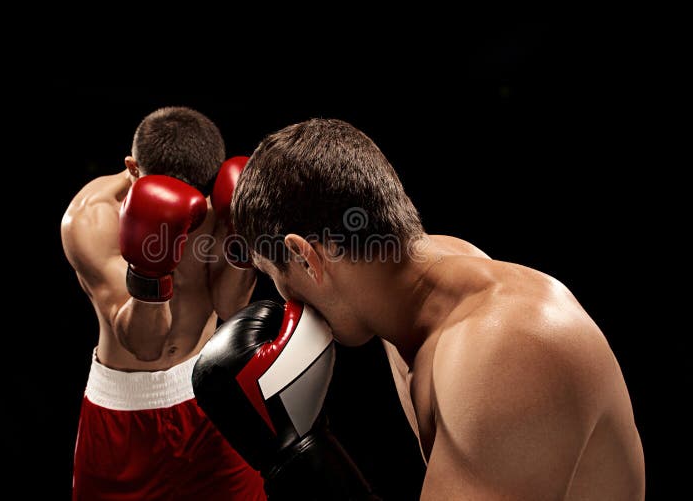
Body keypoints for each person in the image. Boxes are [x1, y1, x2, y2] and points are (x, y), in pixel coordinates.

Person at [224, 118, 645, 499]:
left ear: (304, 257)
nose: (285, 301)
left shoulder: (506, 350)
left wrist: (300, 463)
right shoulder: (406, 296)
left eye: (276, 277)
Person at [60, 106, 265, 500]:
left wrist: (241, 245)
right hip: (121, 419)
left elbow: (230, 307)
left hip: (213, 400)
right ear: (132, 168)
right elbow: (145, 343)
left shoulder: (220, 202)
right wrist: (150, 270)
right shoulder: (91, 220)